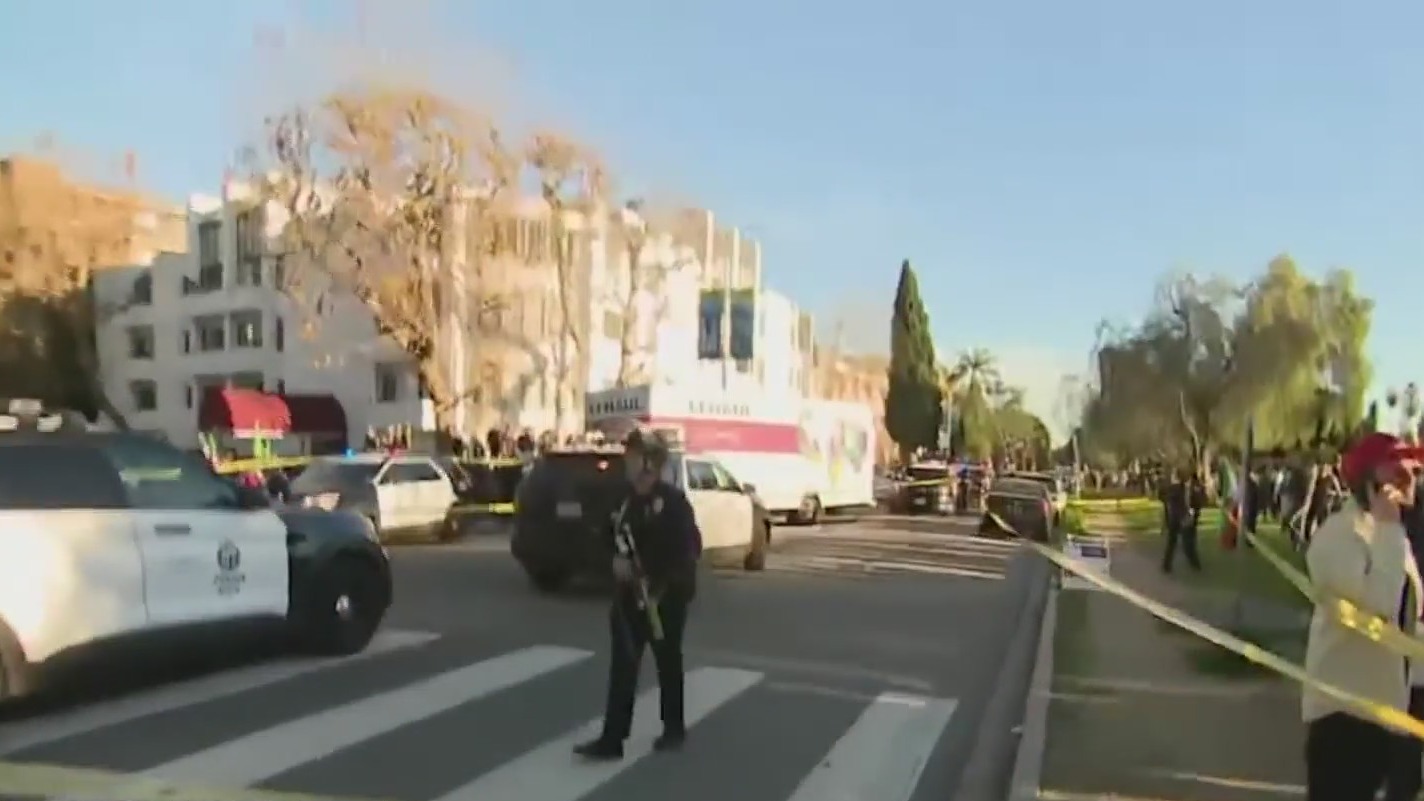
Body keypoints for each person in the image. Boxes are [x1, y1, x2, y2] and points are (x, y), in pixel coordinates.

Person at [1304, 433, 1424, 801]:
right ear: (1370, 480)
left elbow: (1406, 619)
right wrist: (1389, 527)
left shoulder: (1391, 535)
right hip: (1344, 716)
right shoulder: (1337, 537)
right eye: (1397, 467)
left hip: (1387, 708)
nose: (1410, 474)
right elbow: (1379, 604)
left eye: (1413, 467)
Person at [574, 427, 702, 760]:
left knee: (667, 662)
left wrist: (657, 575)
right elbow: (601, 537)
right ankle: (612, 739)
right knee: (623, 666)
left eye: (635, 457)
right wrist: (613, 562)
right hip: (629, 597)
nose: (629, 464)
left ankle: (673, 728)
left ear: (651, 463)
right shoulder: (622, 499)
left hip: (664, 597)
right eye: (629, 457)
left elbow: (689, 549)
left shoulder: (672, 503)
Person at [1161, 467, 1205, 573]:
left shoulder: (1189, 488)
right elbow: (1172, 503)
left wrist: (1194, 511)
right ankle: (1193, 564)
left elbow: (1197, 502)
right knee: (1183, 543)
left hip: (1181, 518)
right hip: (1180, 518)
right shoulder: (1176, 489)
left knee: (1178, 543)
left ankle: (1168, 565)